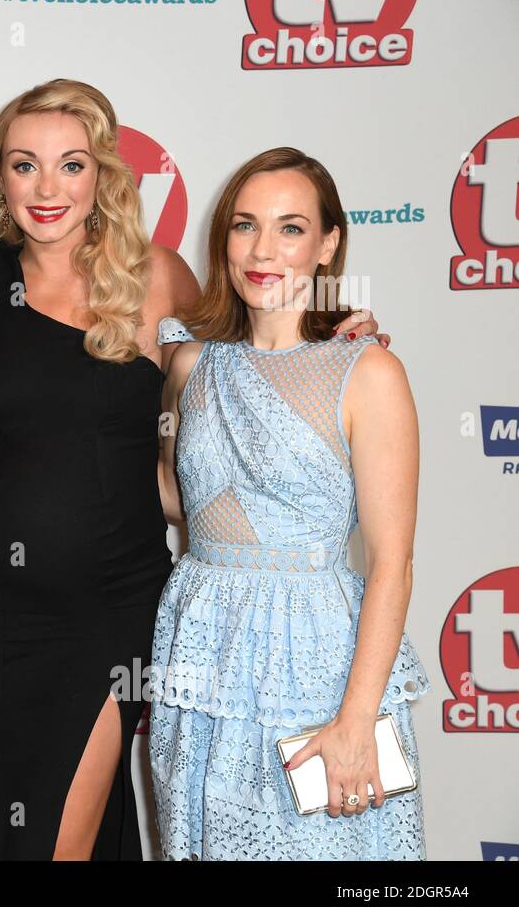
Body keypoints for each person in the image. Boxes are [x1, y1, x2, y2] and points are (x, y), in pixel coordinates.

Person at [0, 81, 383, 860]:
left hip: (111, 613)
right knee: (6, 818)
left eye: (71, 165)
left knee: (54, 836)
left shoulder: (156, 278)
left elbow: (254, 354)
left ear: (102, 177)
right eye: (25, 166)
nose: (48, 188)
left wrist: (336, 334)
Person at [150, 147, 429, 860]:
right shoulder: (189, 361)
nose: (263, 250)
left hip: (319, 661)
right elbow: (181, 502)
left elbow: (393, 563)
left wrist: (356, 720)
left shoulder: (368, 371)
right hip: (203, 652)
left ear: (330, 242)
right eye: (245, 226)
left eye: (291, 228)